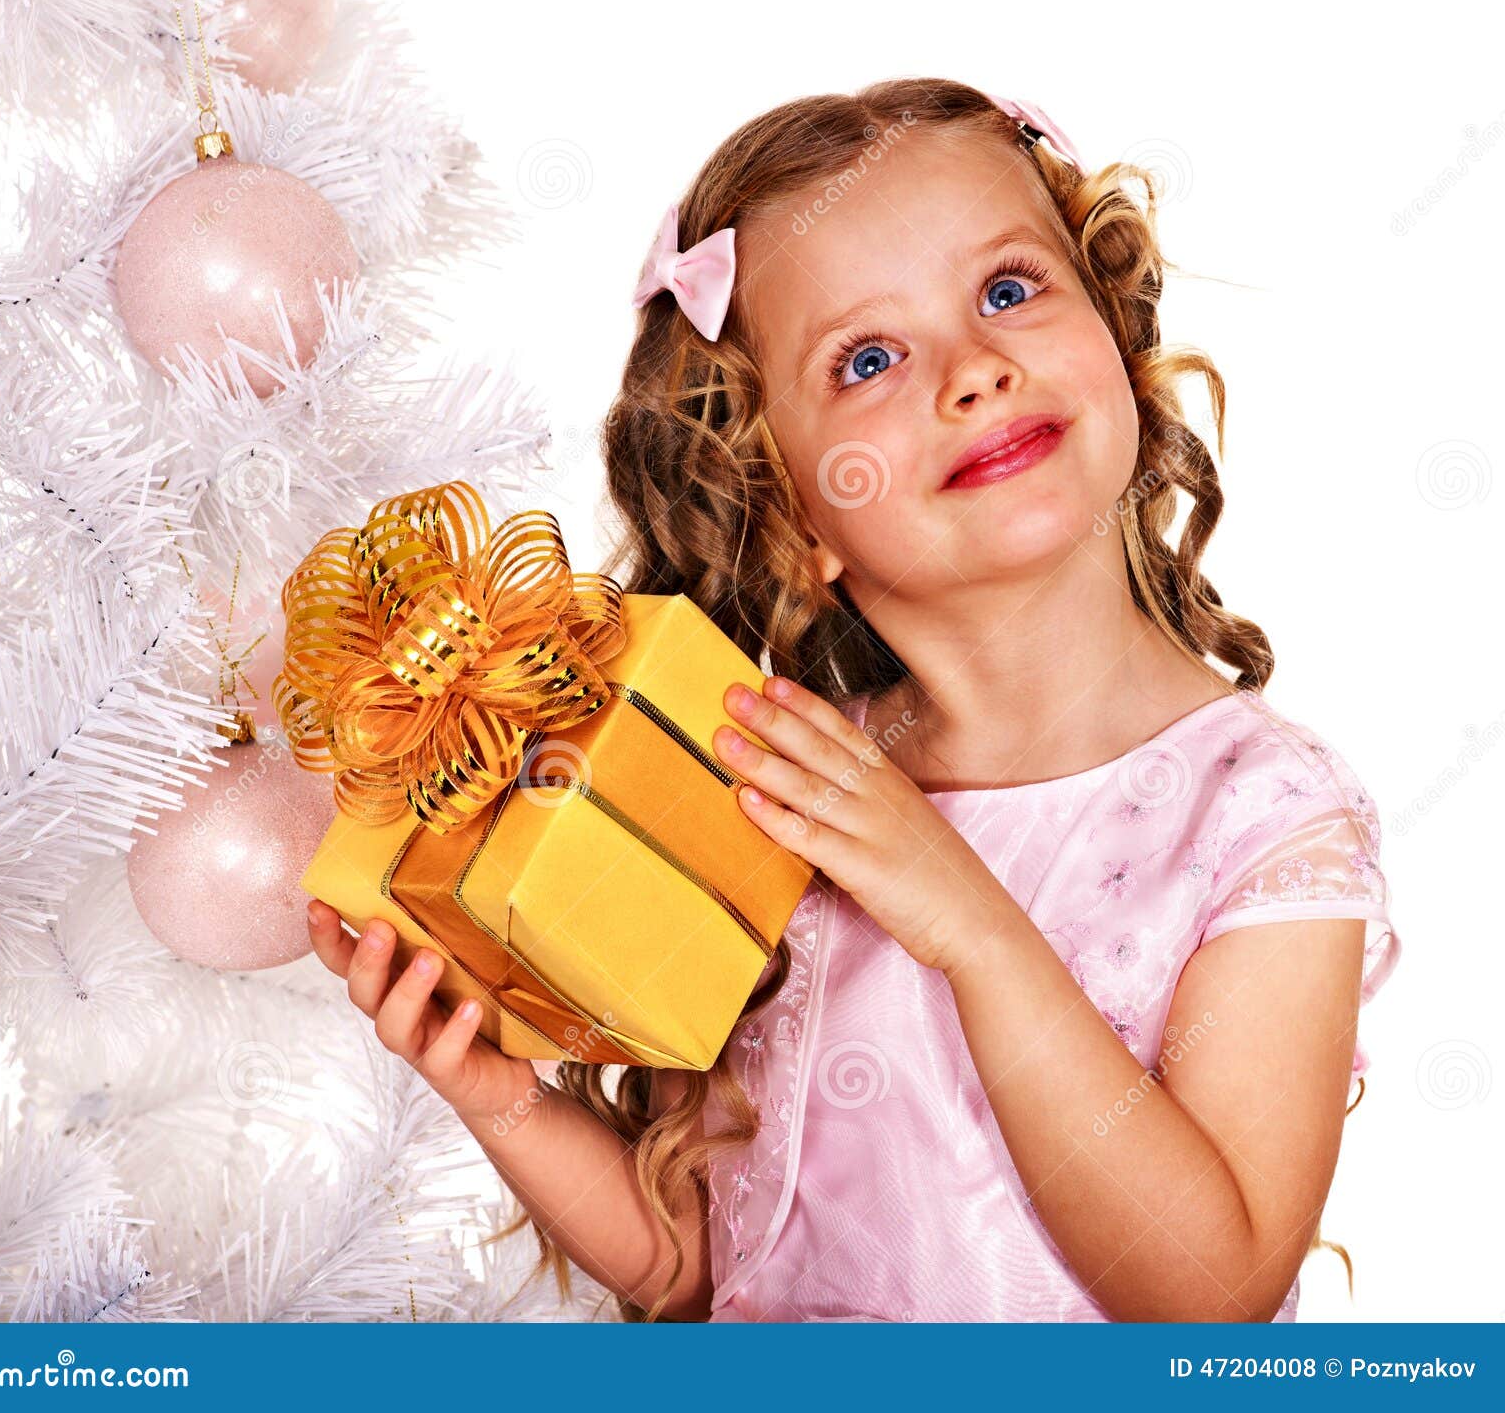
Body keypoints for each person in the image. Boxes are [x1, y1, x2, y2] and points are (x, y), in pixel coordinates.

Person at [306, 78, 1400, 1324]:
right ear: (790, 512)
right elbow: (707, 1263)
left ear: (1118, 347)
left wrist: (968, 920)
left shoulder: (1265, 816)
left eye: (1007, 289)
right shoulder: (784, 777)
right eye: (868, 359)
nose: (974, 370)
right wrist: (496, 1091)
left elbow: (1211, 1291)